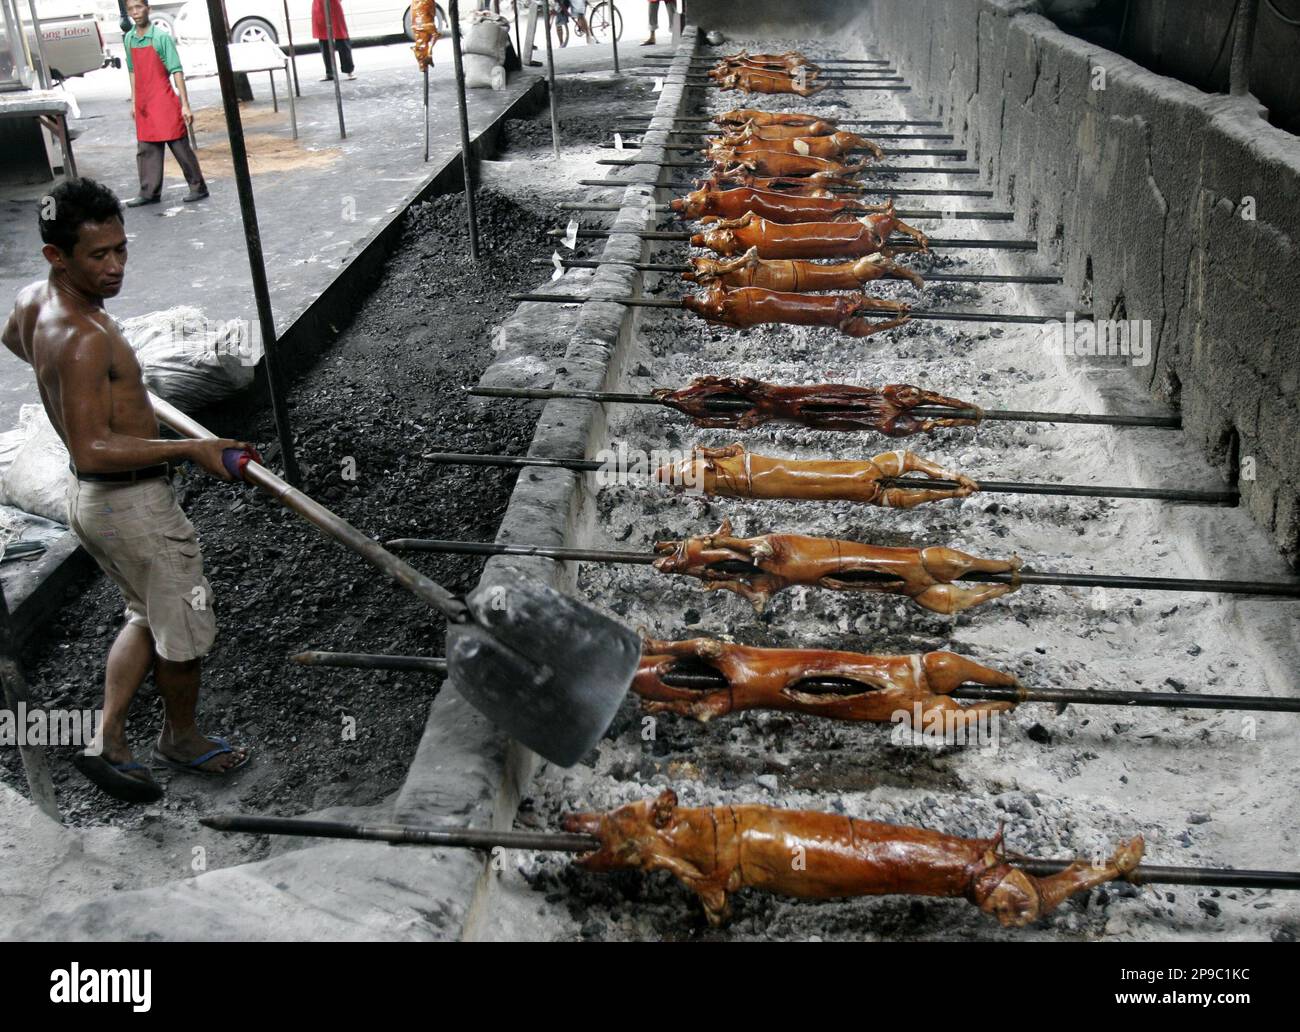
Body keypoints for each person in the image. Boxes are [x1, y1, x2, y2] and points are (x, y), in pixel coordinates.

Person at [1, 179, 252, 804]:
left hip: (92, 504)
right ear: (57, 256)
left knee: (145, 614)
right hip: (132, 504)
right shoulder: (84, 337)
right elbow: (93, 446)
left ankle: (107, 740)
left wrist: (89, 389)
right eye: (97, 256)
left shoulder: (38, 304)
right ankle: (182, 739)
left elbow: (14, 339)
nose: (115, 267)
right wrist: (194, 449)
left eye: (121, 249)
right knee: (185, 628)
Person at [122, 0, 207, 206]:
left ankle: (198, 187)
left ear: (148, 9)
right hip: (144, 102)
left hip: (164, 99)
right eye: (131, 9)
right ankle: (149, 192)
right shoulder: (129, 39)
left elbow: (176, 70)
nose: (136, 12)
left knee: (178, 143)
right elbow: (132, 71)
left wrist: (185, 104)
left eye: (139, 7)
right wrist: (134, 101)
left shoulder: (161, 38)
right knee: (146, 147)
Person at [313, 0, 356, 82]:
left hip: (333, 5)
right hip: (320, 6)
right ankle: (330, 72)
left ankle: (348, 70)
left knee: (341, 38)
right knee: (324, 39)